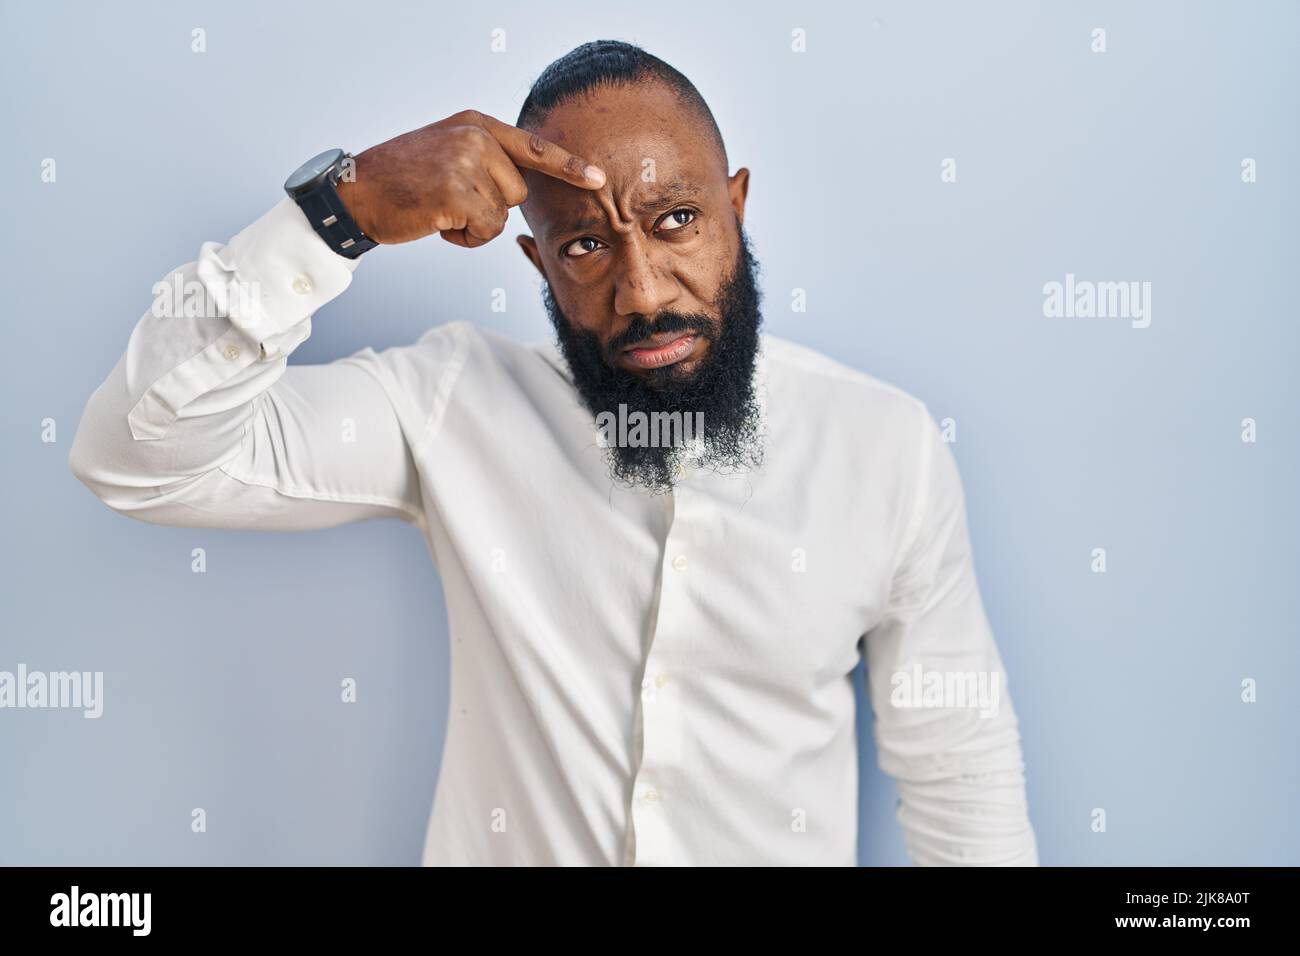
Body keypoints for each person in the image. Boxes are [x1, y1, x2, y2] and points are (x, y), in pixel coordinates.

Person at [70, 40, 1038, 866]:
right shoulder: (450, 404)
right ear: (535, 261)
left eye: (675, 220)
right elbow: (139, 456)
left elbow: (957, 762)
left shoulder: (884, 444)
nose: (643, 290)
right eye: (583, 246)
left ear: (735, 207)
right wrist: (338, 214)